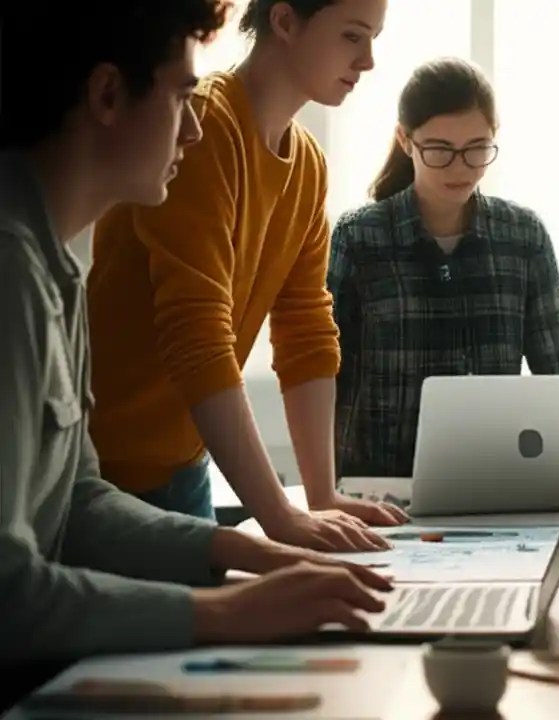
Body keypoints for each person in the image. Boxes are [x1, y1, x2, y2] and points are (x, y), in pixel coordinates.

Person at [0, 0, 390, 691]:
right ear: (109, 96)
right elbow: (14, 595)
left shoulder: (52, 268)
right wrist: (236, 593)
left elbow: (77, 501)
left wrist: (250, 547)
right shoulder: (13, 274)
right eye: (181, 97)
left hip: (173, 472)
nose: (189, 130)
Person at [86, 0, 409, 552]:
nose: (369, 61)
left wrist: (321, 495)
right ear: (284, 22)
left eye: (374, 38)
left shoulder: (307, 164)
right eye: (353, 37)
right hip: (103, 472)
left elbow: (306, 331)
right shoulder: (204, 126)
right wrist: (280, 515)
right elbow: (197, 336)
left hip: (185, 466)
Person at [330, 57, 559, 479]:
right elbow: (325, 376)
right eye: (440, 150)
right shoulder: (360, 237)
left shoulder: (523, 236)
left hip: (492, 478)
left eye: (476, 149)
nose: (461, 167)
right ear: (406, 141)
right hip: (379, 485)